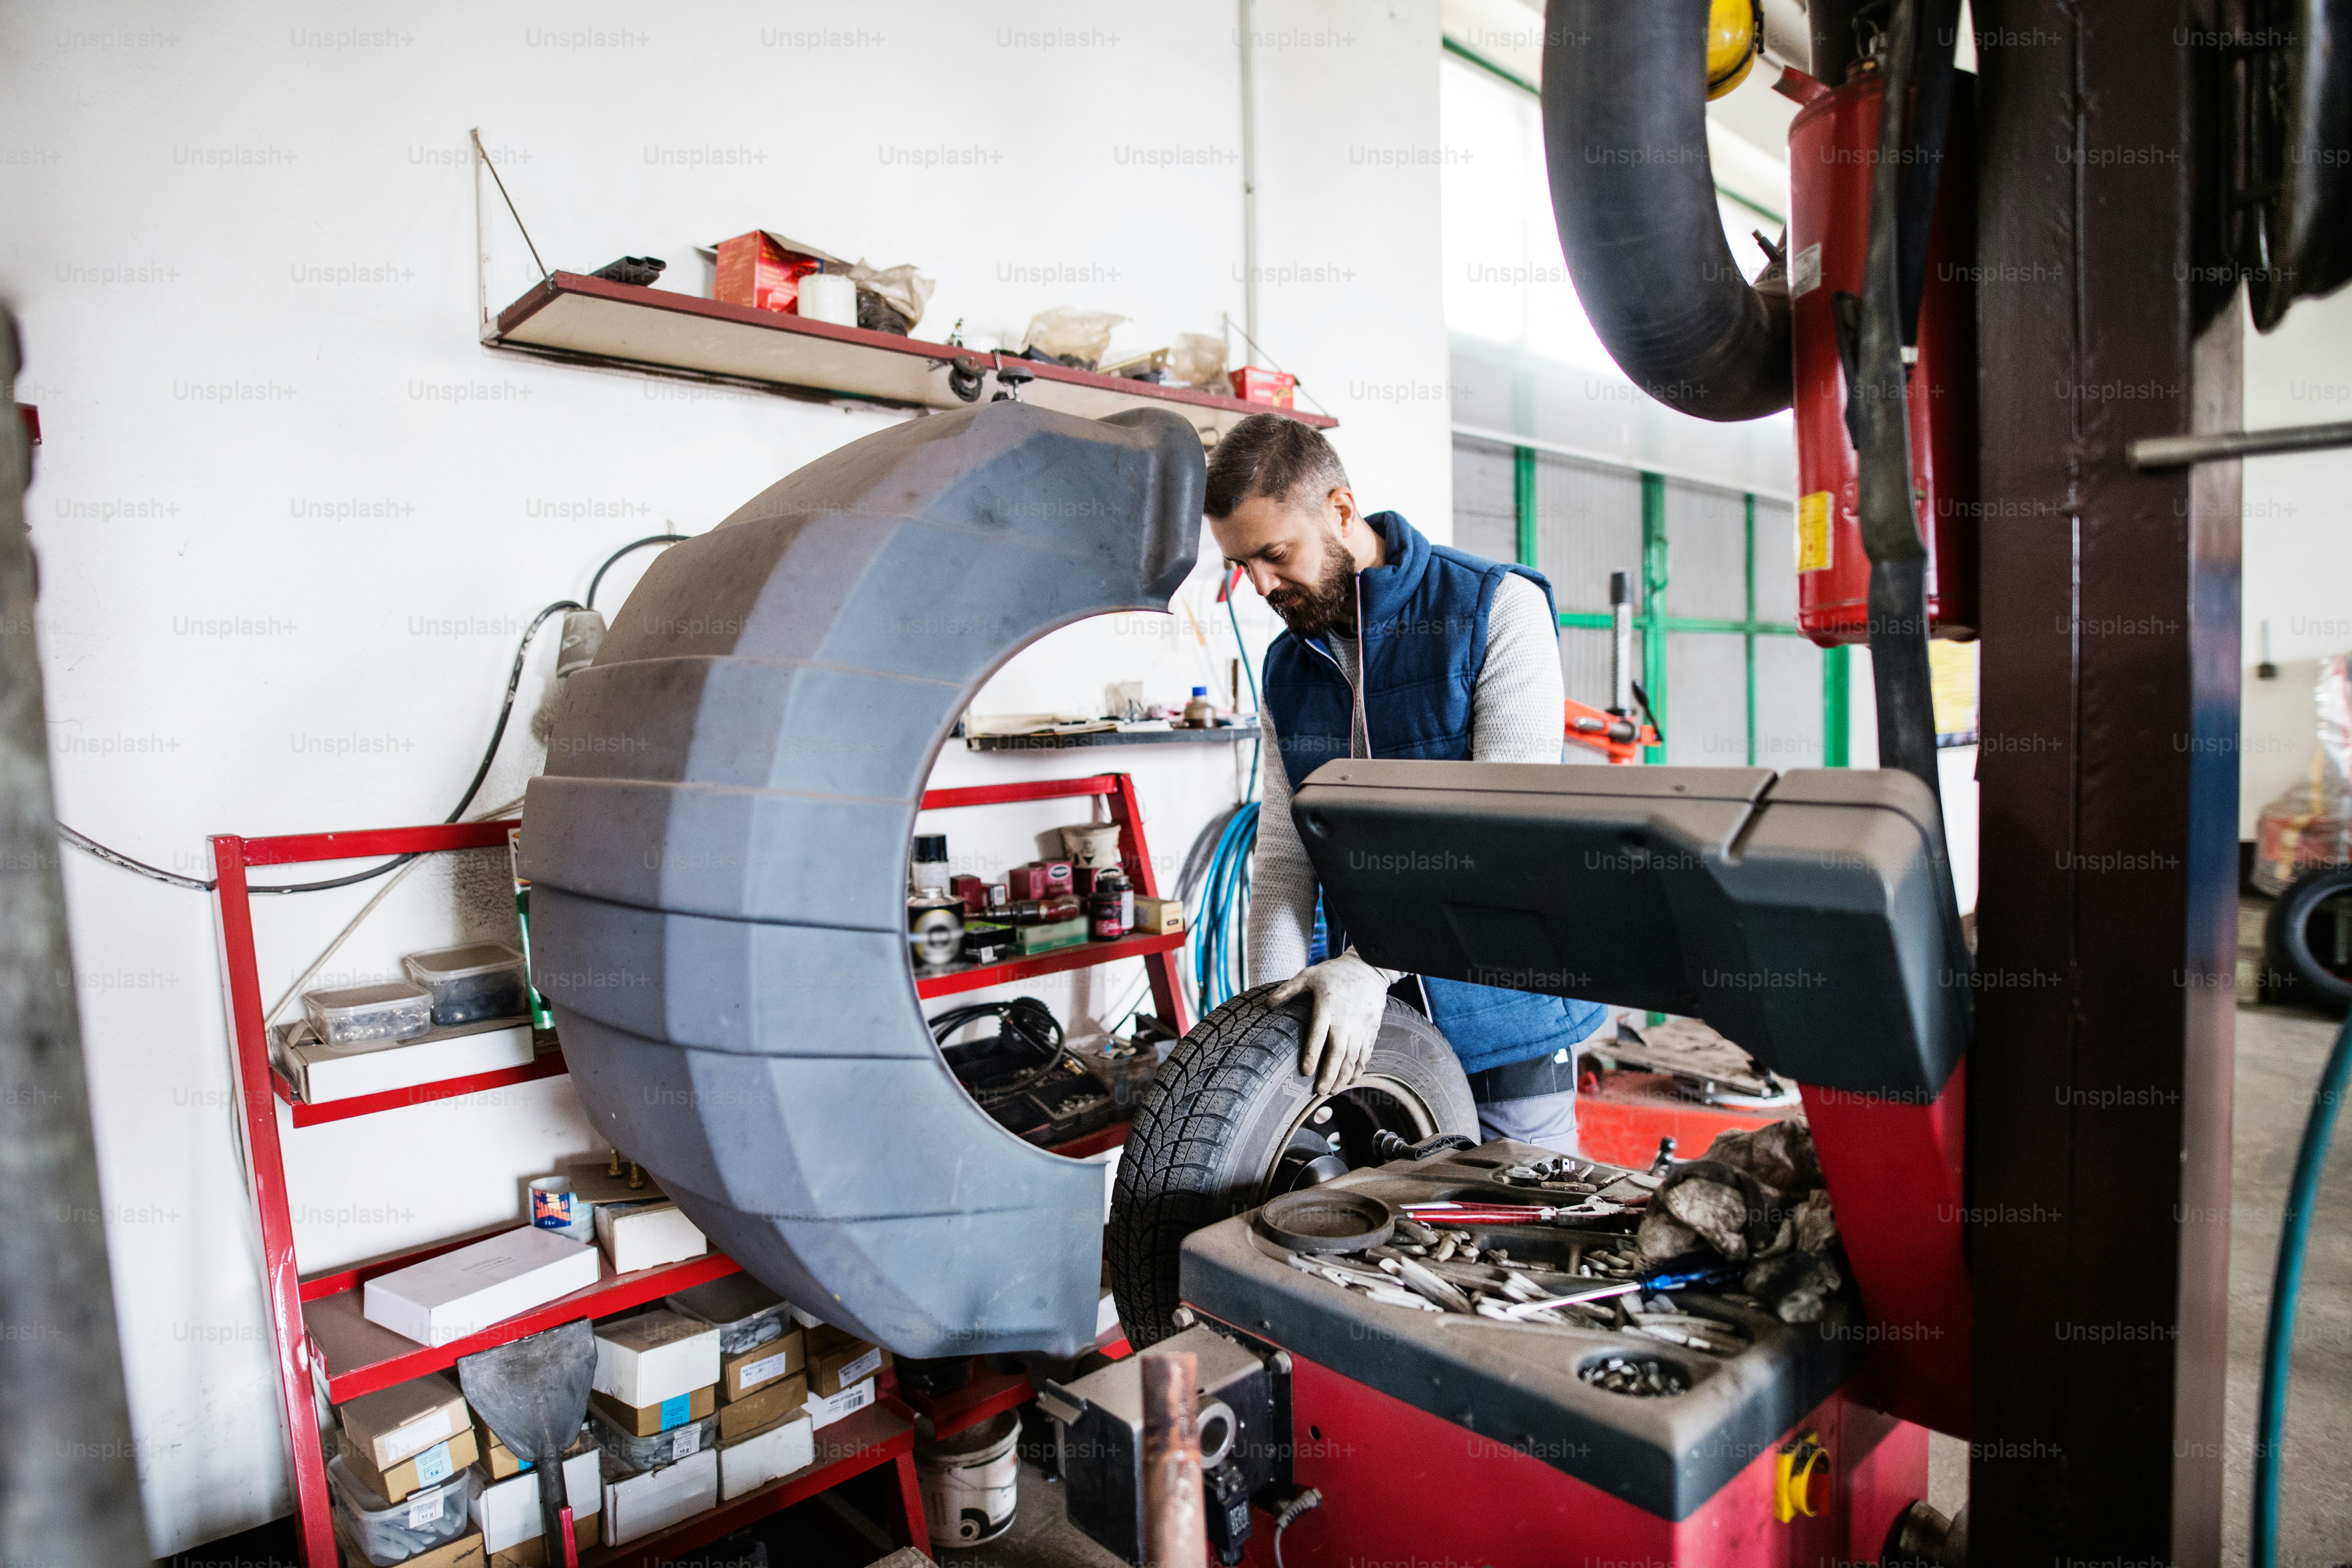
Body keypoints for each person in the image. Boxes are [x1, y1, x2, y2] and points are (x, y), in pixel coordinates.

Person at [1207, 414, 1606, 1154]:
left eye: (1274, 554)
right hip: (1371, 1036)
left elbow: (1499, 839)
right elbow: (1286, 865)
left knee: (1514, 1235)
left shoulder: (1496, 610)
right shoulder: (1288, 670)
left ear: (1342, 511)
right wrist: (1266, 1026)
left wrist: (1369, 968)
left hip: (1504, 1019)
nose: (1260, 584)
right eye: (1242, 565)